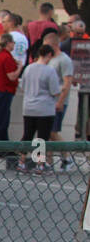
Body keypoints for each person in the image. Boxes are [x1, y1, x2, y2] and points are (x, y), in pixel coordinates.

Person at [17, 44, 62, 172]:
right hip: (45, 109)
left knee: (27, 135)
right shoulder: (49, 71)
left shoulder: (28, 68)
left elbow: (23, 86)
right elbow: (55, 91)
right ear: (49, 55)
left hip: (29, 107)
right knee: (42, 138)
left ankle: (21, 161)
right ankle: (39, 164)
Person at [41, 28, 76, 167]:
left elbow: (67, 82)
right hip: (47, 101)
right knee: (47, 133)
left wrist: (60, 101)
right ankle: (48, 161)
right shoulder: (49, 59)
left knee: (52, 132)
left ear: (54, 45)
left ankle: (67, 156)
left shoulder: (64, 60)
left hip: (58, 101)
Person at [0, 32, 20, 142]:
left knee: (3, 118)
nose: (14, 45)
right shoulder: (6, 57)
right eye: (13, 43)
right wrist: (20, 67)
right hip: (4, 90)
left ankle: (2, 142)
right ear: (8, 43)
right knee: (1, 119)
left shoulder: (0, 56)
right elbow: (12, 76)